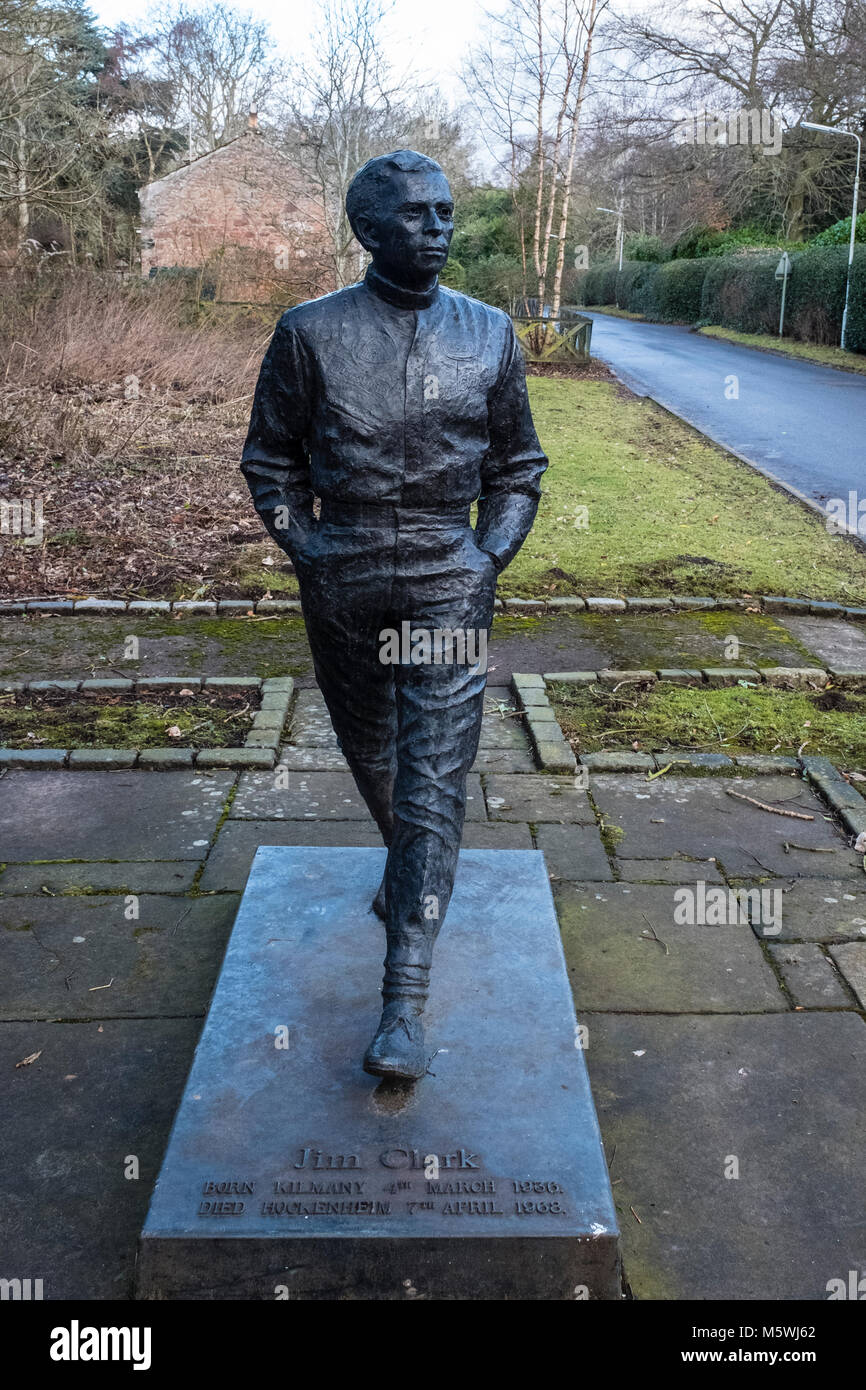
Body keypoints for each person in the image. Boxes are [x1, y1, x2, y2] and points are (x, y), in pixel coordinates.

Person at [241, 149, 547, 1081]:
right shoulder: (309, 331)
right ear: (370, 230)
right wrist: (306, 545)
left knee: (433, 777)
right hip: (345, 573)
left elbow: (518, 466)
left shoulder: (489, 332)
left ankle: (402, 1005)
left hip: (448, 572)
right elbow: (271, 460)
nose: (441, 230)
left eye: (448, 213)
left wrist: (488, 553)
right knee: (371, 748)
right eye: (419, 216)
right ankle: (411, 872)